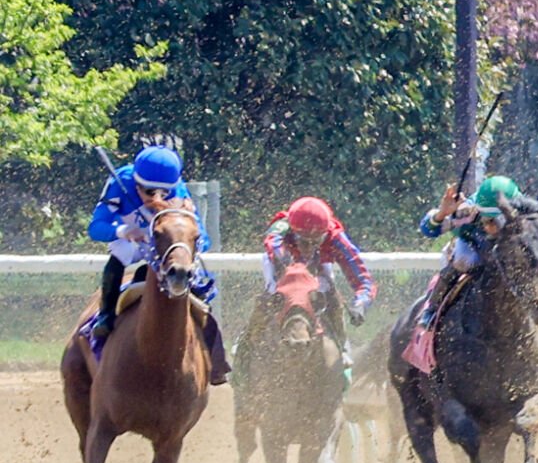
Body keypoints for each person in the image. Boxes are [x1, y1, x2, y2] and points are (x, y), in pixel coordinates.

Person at [85, 144, 230, 385]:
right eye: (149, 192)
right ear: (136, 183)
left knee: (201, 300)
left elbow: (202, 237)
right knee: (118, 258)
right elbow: (96, 228)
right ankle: (106, 316)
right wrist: (122, 230)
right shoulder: (119, 181)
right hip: (132, 240)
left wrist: (183, 244)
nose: (157, 199)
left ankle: (214, 359)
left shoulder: (181, 192)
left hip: (167, 246)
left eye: (165, 193)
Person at [241, 196, 375, 370]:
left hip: (318, 267)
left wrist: (361, 304)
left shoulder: (336, 238)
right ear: (292, 231)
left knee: (332, 298)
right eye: (304, 241)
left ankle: (341, 348)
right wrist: (287, 267)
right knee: (272, 294)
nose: (310, 247)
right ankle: (246, 348)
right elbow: (273, 245)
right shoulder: (281, 228)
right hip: (285, 264)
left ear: (325, 235)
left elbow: (364, 280)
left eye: (316, 242)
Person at [413, 174, 522, 334]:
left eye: (501, 219)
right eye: (490, 220)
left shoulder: (521, 207)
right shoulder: (467, 210)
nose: (495, 226)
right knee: (464, 260)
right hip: (472, 247)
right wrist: (441, 214)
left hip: (504, 250)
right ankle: (432, 308)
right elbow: (427, 229)